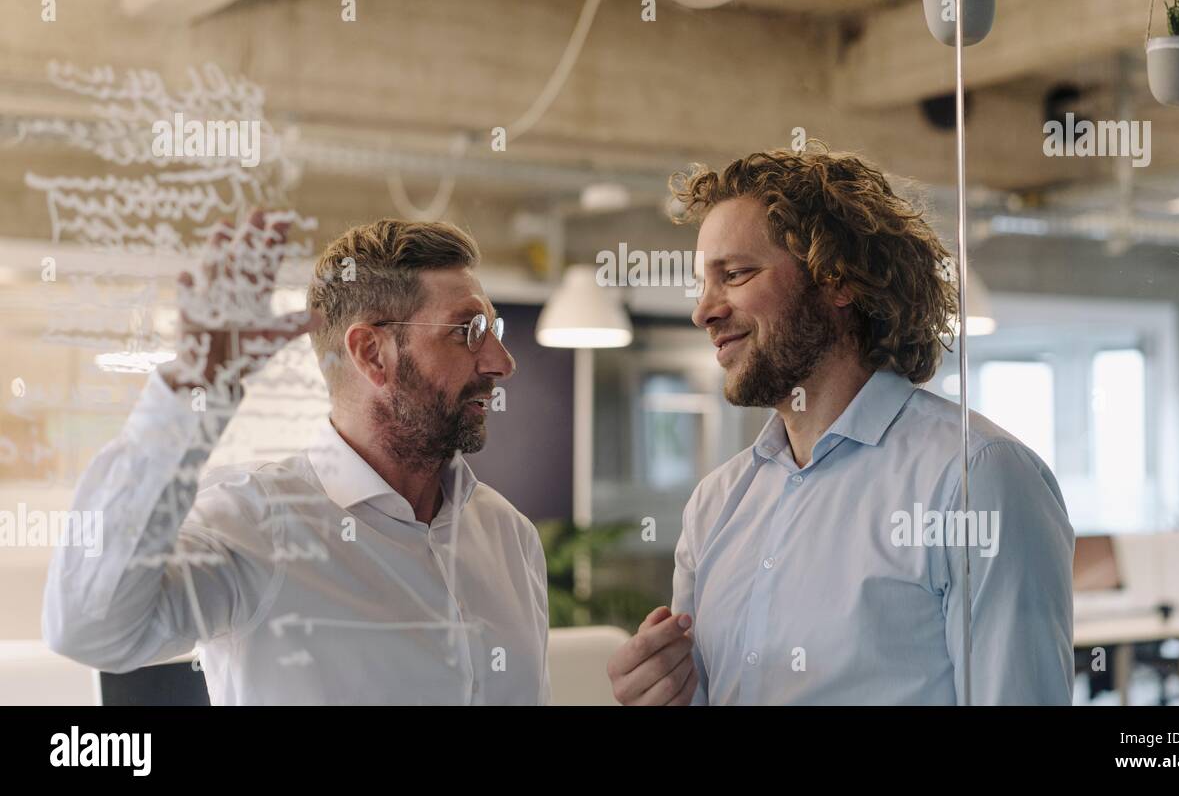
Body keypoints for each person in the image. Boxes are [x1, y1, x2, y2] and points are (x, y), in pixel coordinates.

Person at [608, 145, 1074, 705]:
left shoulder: (975, 479)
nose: (703, 311)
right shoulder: (716, 504)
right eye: (702, 285)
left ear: (838, 282)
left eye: (733, 274)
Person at [44, 211, 550, 704]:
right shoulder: (256, 524)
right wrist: (188, 392)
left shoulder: (511, 537)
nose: (502, 363)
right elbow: (92, 629)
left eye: (495, 332)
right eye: (467, 331)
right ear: (373, 354)